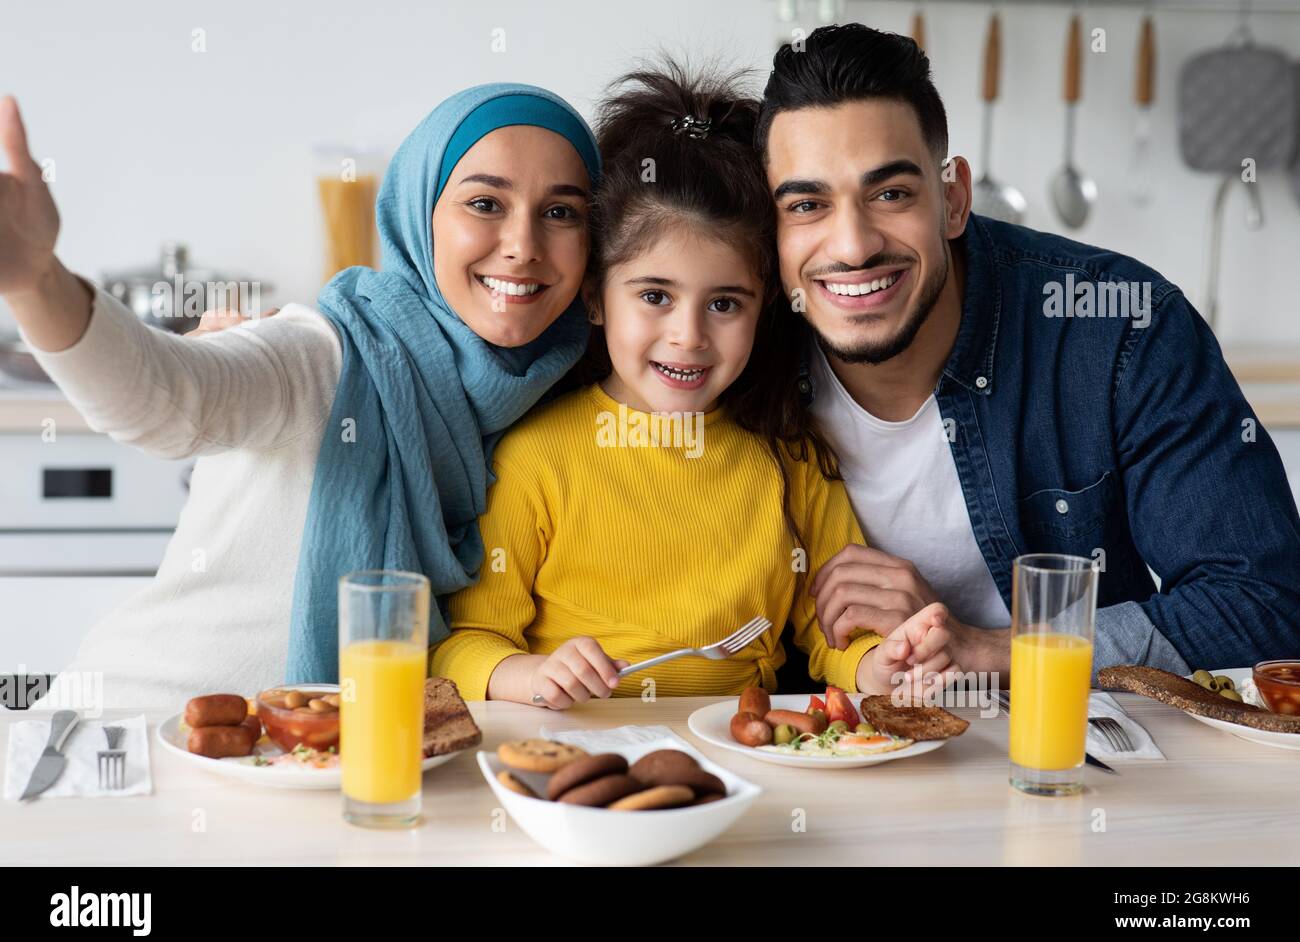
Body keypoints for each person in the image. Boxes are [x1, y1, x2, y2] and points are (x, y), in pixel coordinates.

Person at [0, 85, 600, 708]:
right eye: (484, 203)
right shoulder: (325, 353)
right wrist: (35, 282)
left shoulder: (555, 399)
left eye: (561, 213)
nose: (523, 245)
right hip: (130, 738)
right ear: (419, 215)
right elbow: (161, 398)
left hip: (303, 767)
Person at [755, 24, 1300, 679]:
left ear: (953, 200)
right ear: (772, 227)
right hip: (821, 750)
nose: (852, 245)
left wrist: (992, 650)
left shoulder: (1120, 325)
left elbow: (1265, 604)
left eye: (891, 194)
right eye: (808, 204)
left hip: (1076, 757)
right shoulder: (734, 348)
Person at [430, 65, 955, 708]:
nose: (689, 336)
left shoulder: (789, 457)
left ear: (765, 309)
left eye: (726, 304)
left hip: (742, 759)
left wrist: (879, 666)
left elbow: (834, 630)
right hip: (574, 759)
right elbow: (464, 644)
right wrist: (530, 675)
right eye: (655, 296)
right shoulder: (535, 458)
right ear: (596, 297)